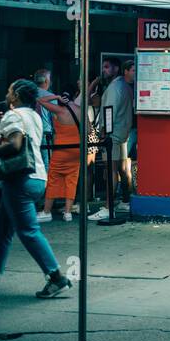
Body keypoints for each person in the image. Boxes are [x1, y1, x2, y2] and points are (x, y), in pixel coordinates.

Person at [0, 79, 72, 298]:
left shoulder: (13, 115)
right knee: (2, 229)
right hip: (37, 179)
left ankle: (56, 277)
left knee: (28, 231)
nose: (6, 94)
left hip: (20, 180)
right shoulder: (33, 115)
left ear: (16, 95)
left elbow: (15, 144)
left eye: (9, 91)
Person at [92, 60, 134, 220]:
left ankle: (108, 208)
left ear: (119, 69)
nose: (104, 70)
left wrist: (104, 132)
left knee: (111, 170)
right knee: (124, 169)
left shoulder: (115, 88)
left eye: (107, 67)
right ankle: (125, 200)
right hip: (124, 132)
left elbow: (109, 110)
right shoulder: (126, 87)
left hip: (113, 135)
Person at [40, 82, 84, 222]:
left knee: (53, 179)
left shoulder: (59, 111)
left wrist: (56, 97)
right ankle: (67, 212)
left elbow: (40, 100)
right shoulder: (80, 110)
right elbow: (88, 130)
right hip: (77, 149)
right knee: (72, 180)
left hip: (61, 150)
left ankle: (47, 211)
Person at [33, 69, 57, 176]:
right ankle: (46, 190)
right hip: (45, 135)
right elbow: (55, 120)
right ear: (47, 81)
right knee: (46, 164)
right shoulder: (51, 97)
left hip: (29, 134)